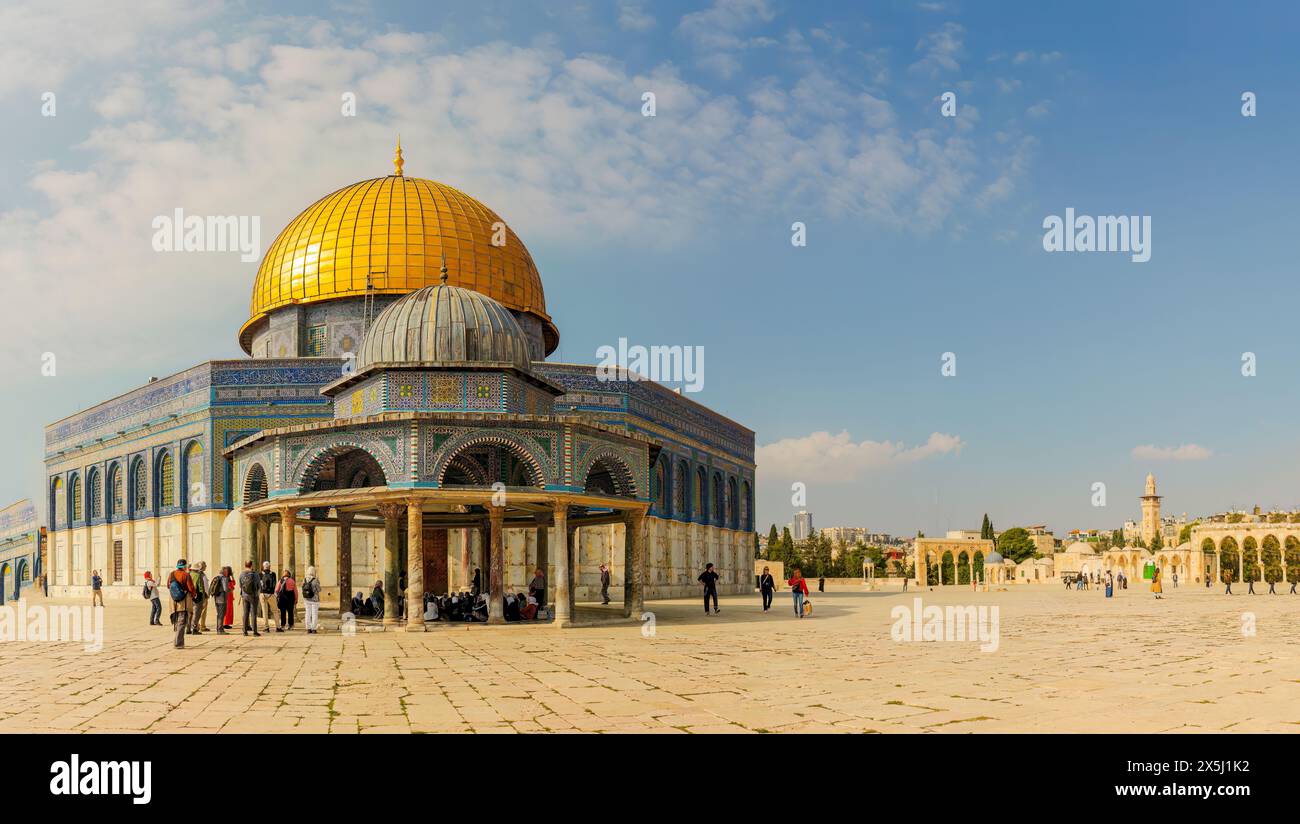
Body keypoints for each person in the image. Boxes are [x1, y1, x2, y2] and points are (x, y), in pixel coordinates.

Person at [166, 559, 197, 648]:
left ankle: (176, 641)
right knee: (182, 621)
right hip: (183, 601)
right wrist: (194, 595)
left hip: (173, 601)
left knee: (177, 621)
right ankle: (178, 643)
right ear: (184, 566)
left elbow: (168, 586)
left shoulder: (171, 574)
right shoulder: (186, 575)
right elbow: (191, 588)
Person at [238, 561, 261, 637]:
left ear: (245, 565)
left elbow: (240, 585)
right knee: (253, 614)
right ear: (251, 565)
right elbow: (258, 585)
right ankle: (255, 632)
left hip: (245, 596)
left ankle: (245, 631)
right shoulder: (255, 574)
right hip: (253, 596)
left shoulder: (242, 574)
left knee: (245, 613)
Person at [208, 565, 229, 635]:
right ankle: (220, 630)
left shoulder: (216, 577)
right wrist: (230, 589)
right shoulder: (224, 578)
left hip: (216, 598)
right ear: (224, 571)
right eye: (226, 570)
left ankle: (219, 628)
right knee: (221, 614)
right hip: (222, 598)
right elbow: (225, 589)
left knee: (219, 614)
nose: (227, 571)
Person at [189, 561, 208, 634]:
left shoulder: (189, 574)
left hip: (190, 597)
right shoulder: (198, 575)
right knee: (197, 613)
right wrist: (203, 597)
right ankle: (194, 628)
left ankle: (189, 627)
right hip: (198, 597)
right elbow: (200, 588)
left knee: (191, 613)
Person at [258, 561, 277, 633]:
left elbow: (259, 585)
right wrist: (271, 592)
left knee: (264, 611)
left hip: (262, 594)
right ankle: (278, 627)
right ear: (270, 566)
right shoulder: (273, 574)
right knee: (275, 611)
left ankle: (266, 628)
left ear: (263, 567)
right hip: (271, 594)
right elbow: (274, 584)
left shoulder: (260, 574)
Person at [302, 566, 321, 633]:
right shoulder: (315, 580)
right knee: (314, 614)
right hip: (315, 600)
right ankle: (314, 629)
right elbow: (319, 589)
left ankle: (308, 628)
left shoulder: (304, 579)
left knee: (307, 613)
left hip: (306, 599)